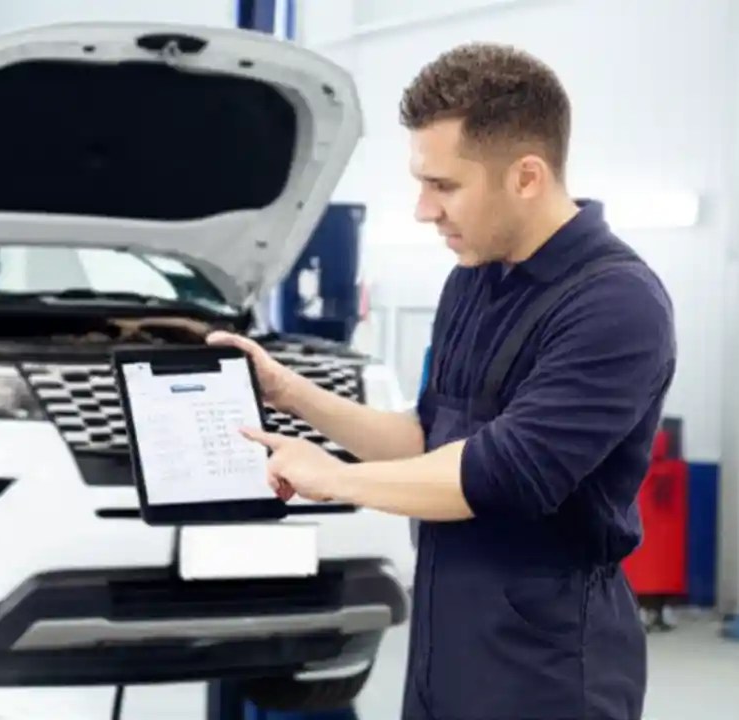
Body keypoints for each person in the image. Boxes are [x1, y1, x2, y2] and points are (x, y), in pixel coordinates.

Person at [212, 42, 675, 720]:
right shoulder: (472, 282)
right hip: (443, 650)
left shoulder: (616, 303)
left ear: (526, 177)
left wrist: (333, 478)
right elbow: (427, 439)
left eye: (444, 185)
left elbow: (505, 472)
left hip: (548, 670)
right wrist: (291, 393)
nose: (424, 210)